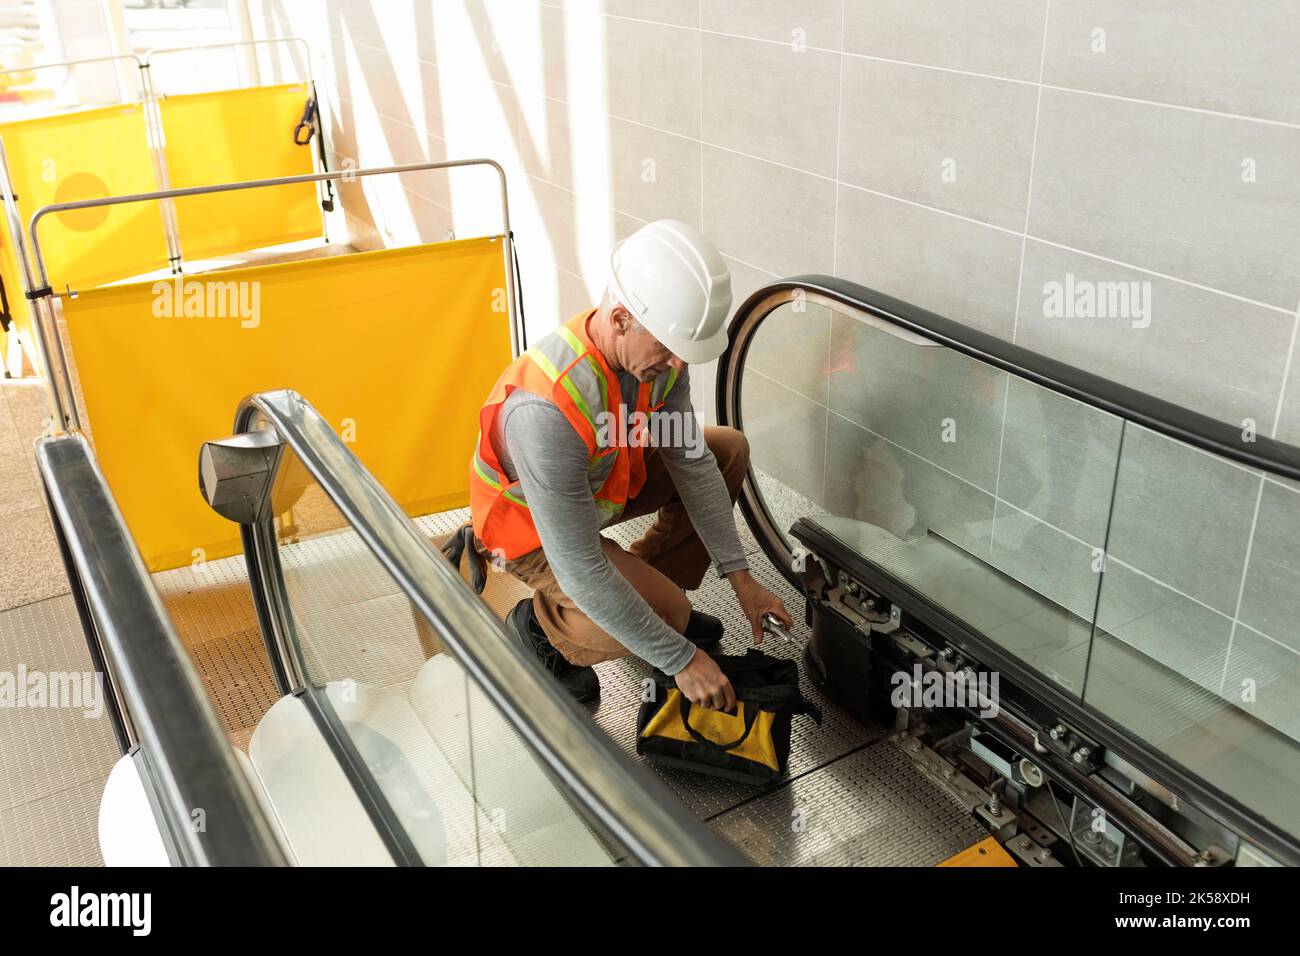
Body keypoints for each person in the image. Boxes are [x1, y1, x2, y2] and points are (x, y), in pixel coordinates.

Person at [468, 219, 792, 708]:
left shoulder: (656, 361)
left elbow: (693, 463)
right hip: (528, 528)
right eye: (666, 347)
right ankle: (543, 629)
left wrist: (740, 577)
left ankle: (648, 596)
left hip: (599, 488)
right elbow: (577, 564)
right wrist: (680, 658)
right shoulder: (545, 409)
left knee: (727, 450)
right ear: (620, 319)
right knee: (665, 617)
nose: (677, 366)